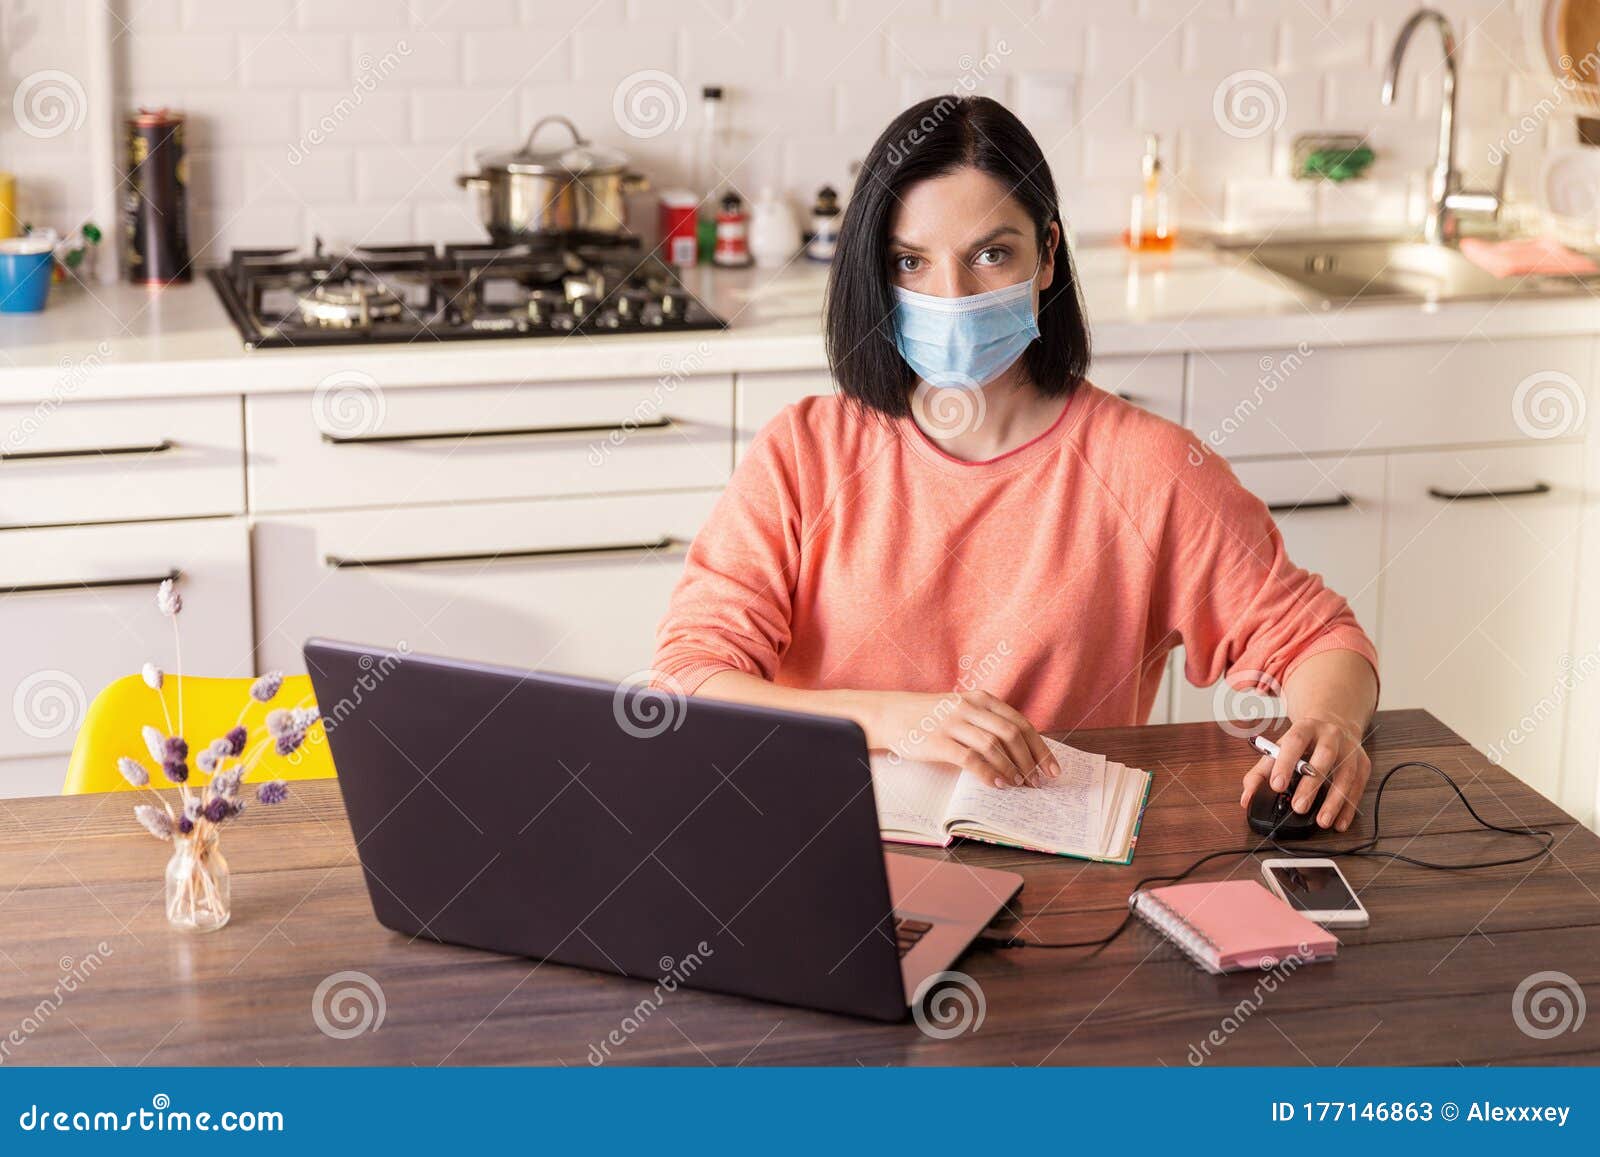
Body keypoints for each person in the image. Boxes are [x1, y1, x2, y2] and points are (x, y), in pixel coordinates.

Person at [651, 96, 1378, 831]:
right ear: (877, 276)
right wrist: (898, 719)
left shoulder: (1148, 469)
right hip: (824, 848)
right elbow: (690, 677)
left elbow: (1321, 639)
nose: (953, 296)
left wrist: (1330, 725)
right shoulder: (805, 452)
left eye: (990, 254)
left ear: (1047, 257)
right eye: (911, 263)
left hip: (1052, 870)